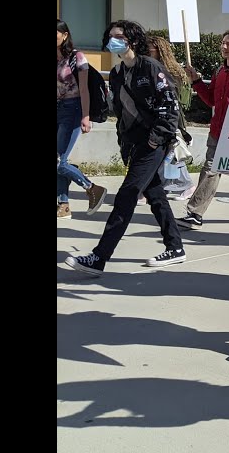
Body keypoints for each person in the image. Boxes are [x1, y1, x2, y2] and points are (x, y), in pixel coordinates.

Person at [64, 20, 186, 275]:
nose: (113, 40)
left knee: (126, 196)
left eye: (118, 36)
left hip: (153, 142)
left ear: (132, 40)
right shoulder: (118, 73)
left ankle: (99, 258)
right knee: (155, 196)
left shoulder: (151, 67)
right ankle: (175, 247)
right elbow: (120, 112)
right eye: (110, 36)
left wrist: (156, 138)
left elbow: (170, 107)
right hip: (135, 144)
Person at [177, 30, 229, 229]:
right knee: (210, 170)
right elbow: (211, 100)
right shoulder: (219, 72)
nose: (224, 47)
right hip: (218, 131)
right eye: (223, 43)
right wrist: (196, 81)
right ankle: (195, 213)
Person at [57, 19, 107, 219]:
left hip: (74, 109)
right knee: (60, 161)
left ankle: (92, 188)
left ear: (65, 35)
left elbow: (84, 89)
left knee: (60, 163)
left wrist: (86, 116)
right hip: (58, 109)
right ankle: (63, 205)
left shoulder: (78, 58)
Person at [145, 35, 196, 199]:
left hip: (169, 117)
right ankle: (168, 185)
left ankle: (185, 184)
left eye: (149, 48)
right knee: (167, 154)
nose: (146, 50)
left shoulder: (171, 73)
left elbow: (175, 98)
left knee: (171, 152)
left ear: (159, 50)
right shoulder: (150, 68)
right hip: (154, 116)